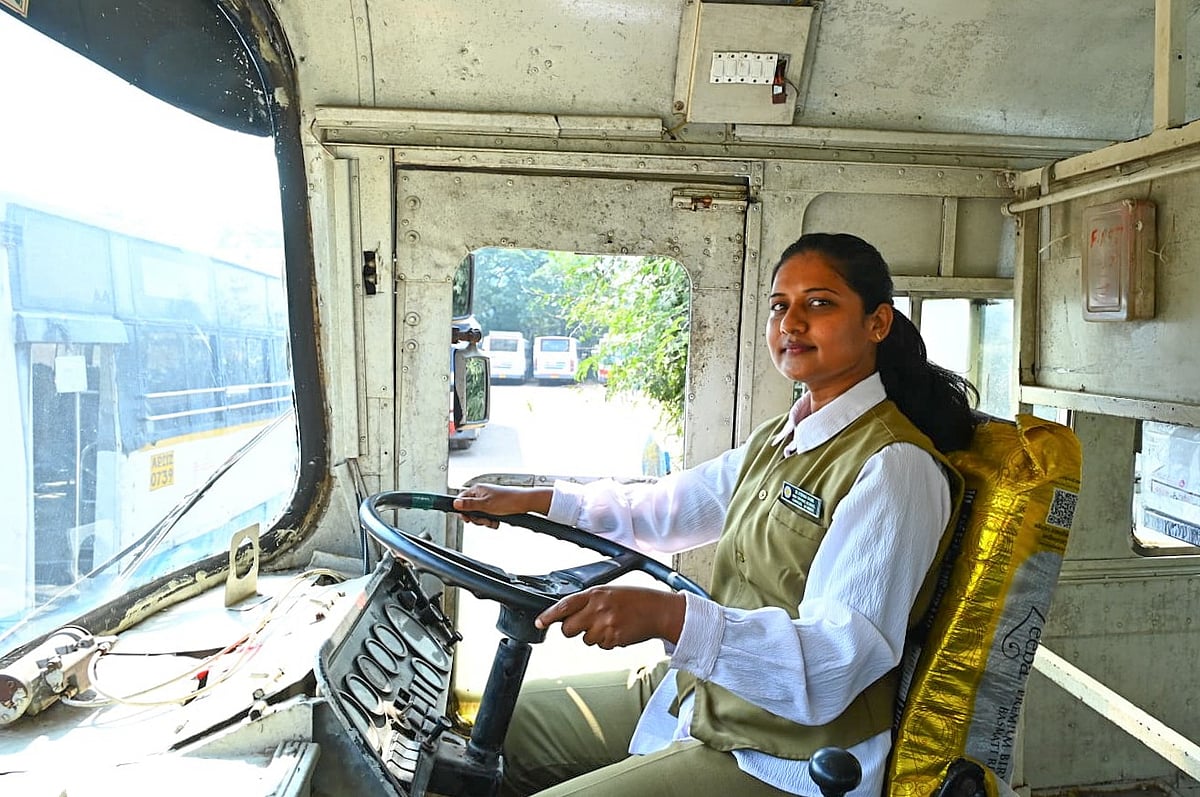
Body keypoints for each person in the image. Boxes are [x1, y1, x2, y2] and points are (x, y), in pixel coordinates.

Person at [453, 232, 978, 797]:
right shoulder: (782, 440)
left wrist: (669, 617)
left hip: (790, 758)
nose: (792, 323)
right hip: (708, 693)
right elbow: (665, 508)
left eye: (819, 303)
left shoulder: (894, 468)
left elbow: (835, 662)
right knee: (486, 729)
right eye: (781, 306)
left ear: (877, 323)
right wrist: (538, 500)